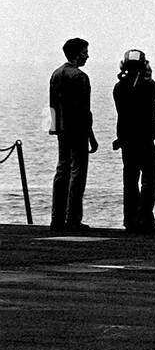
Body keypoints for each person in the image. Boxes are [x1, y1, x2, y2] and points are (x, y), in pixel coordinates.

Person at [112, 49, 155, 232]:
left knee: (130, 179)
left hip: (126, 139)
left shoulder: (119, 87)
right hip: (144, 138)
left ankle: (130, 220)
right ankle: (145, 219)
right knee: (150, 179)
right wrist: (149, 77)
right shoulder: (148, 85)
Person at [49, 37, 97, 230]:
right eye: (85, 52)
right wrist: (91, 137)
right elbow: (85, 110)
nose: (87, 56)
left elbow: (52, 105)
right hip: (78, 130)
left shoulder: (56, 74)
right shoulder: (80, 77)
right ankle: (73, 218)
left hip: (61, 129)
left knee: (62, 171)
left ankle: (57, 218)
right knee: (78, 173)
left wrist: (54, 127)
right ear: (77, 54)